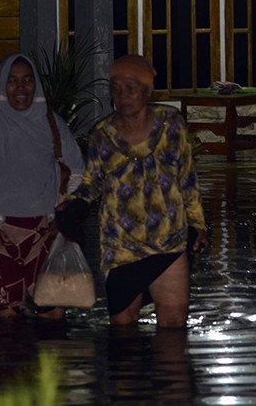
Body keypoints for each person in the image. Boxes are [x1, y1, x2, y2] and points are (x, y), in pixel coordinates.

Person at [57, 54, 208, 328]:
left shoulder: (171, 123)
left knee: (173, 328)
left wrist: (197, 224)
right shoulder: (102, 134)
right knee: (123, 331)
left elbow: (187, 179)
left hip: (168, 240)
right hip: (121, 247)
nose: (122, 95)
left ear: (148, 90)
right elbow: (92, 182)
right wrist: (76, 204)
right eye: (115, 88)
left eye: (130, 88)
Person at [0, 54, 85, 319]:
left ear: (35, 84)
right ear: (2, 85)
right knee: (6, 321)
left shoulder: (51, 125)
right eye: (12, 81)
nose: (21, 88)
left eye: (27, 80)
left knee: (53, 315)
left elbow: (78, 170)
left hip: (44, 233)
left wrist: (60, 207)